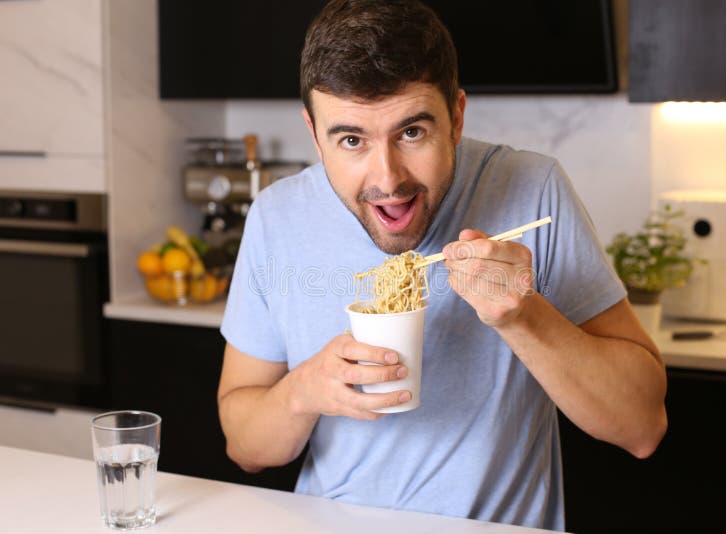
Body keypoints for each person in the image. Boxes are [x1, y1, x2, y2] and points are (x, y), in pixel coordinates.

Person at [217, 0, 667, 530]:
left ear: (456, 116)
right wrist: (304, 390)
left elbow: (642, 427)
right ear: (315, 134)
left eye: (411, 132)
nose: (388, 179)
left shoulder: (531, 190)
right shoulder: (277, 216)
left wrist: (524, 316)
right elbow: (243, 447)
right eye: (352, 140)